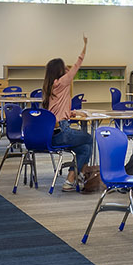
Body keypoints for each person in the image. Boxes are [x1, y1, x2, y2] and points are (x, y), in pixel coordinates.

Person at [44, 37, 98, 192]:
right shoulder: (62, 82)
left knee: (84, 149)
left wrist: (71, 112)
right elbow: (78, 64)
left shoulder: (50, 86)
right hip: (63, 132)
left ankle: (70, 181)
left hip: (51, 133)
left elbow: (57, 110)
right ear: (60, 71)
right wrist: (85, 45)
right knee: (89, 138)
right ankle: (81, 174)